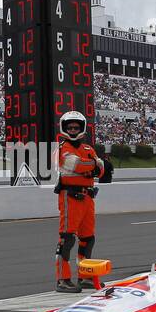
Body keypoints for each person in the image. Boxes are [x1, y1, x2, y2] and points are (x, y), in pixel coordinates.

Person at [53, 110, 104, 292]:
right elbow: (75, 164)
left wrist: (92, 167)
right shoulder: (62, 148)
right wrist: (93, 166)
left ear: (81, 128)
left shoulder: (88, 148)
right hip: (70, 198)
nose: (73, 130)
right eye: (70, 127)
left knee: (88, 239)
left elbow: (102, 169)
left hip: (88, 198)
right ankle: (63, 279)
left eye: (75, 127)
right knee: (66, 239)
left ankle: (85, 276)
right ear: (64, 128)